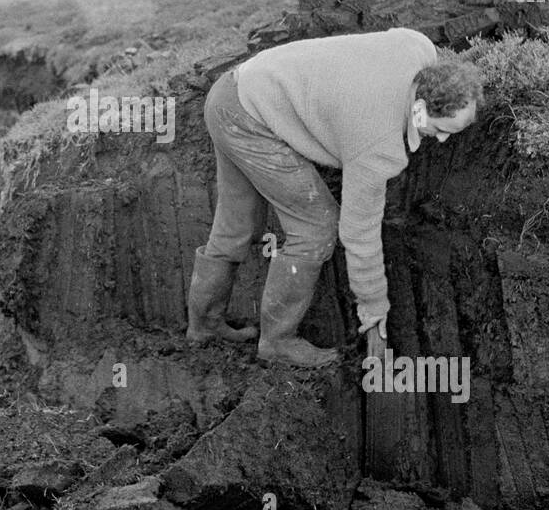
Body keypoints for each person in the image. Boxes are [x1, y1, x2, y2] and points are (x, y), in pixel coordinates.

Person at [185, 26, 483, 367]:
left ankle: (203, 326)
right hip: (248, 119)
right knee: (316, 226)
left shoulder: (418, 47)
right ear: (419, 108)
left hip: (234, 90)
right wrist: (373, 306)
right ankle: (277, 342)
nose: (442, 140)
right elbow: (358, 234)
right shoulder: (377, 144)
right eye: (441, 129)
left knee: (236, 222)